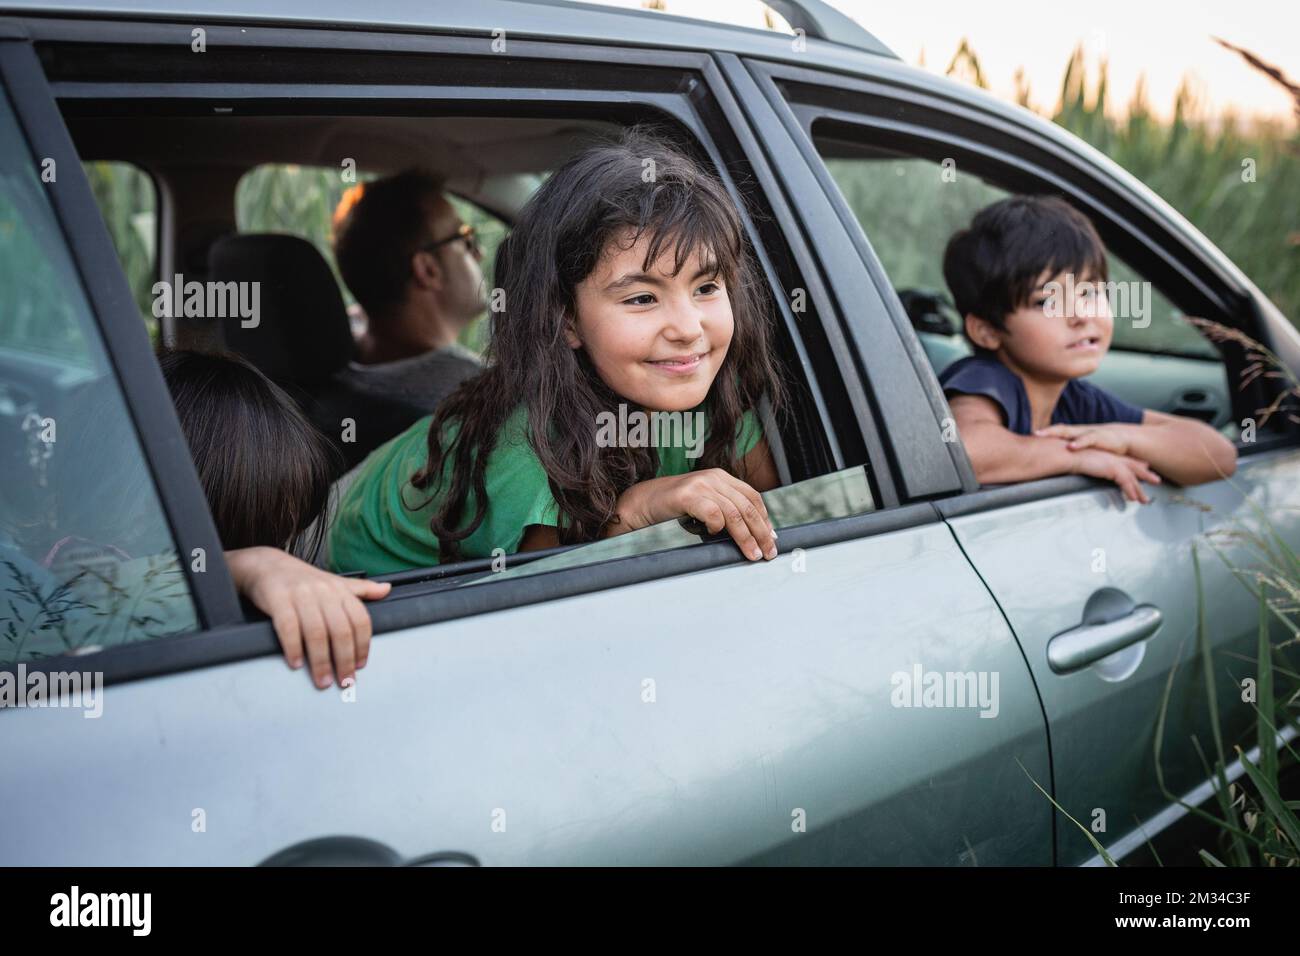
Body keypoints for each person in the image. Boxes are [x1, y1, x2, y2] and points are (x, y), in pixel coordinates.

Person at [328, 128, 785, 574]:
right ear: (568, 321)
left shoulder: (706, 392)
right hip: (342, 566)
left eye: (706, 287)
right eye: (642, 298)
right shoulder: (522, 451)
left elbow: (777, 508)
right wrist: (639, 507)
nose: (688, 329)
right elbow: (557, 586)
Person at [939, 195, 1237, 502]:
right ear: (987, 331)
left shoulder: (1076, 400)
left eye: (1089, 292)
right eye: (1048, 302)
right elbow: (963, 452)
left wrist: (1123, 438)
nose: (1080, 315)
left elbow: (1218, 455)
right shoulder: (983, 381)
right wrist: (1075, 457)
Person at [158, 349, 390, 689]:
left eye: (281, 541)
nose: (284, 558)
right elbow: (77, 594)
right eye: (269, 540)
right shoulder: (76, 578)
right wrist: (243, 567)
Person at [331, 169, 486, 410]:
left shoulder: (331, 373)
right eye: (464, 239)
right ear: (427, 270)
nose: (479, 253)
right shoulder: (476, 393)